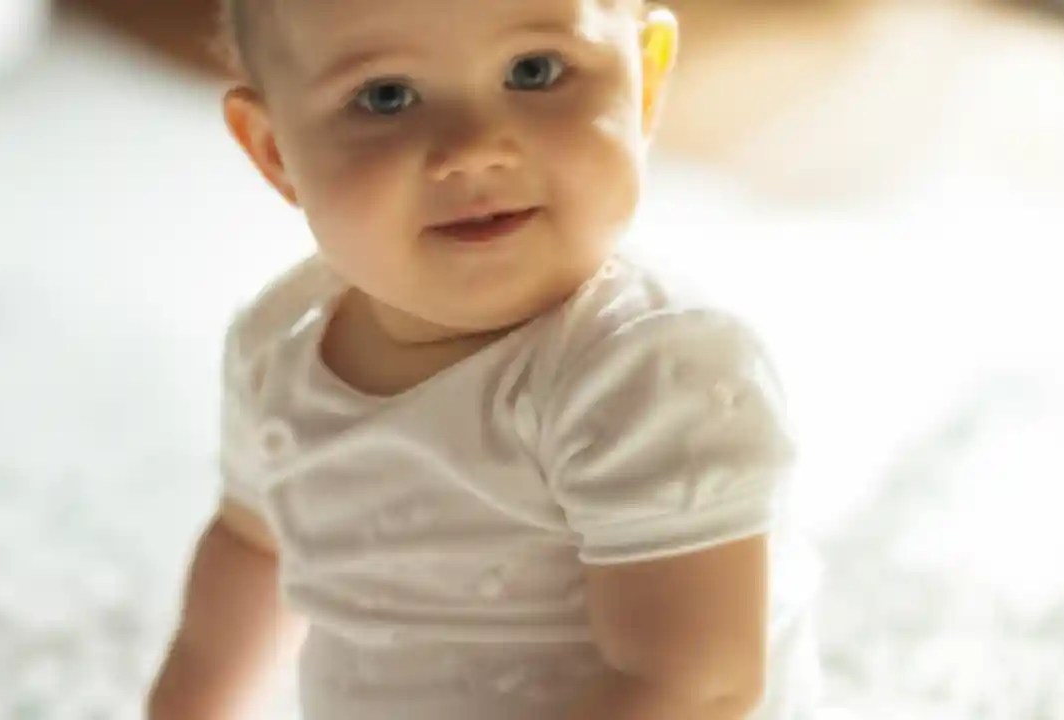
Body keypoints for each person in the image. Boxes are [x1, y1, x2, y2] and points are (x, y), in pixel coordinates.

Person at [148, 1, 823, 718]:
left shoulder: (647, 373)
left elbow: (694, 683)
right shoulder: (279, 343)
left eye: (534, 71)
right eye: (386, 97)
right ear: (277, 152)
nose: (473, 147)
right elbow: (252, 549)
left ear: (646, 83)